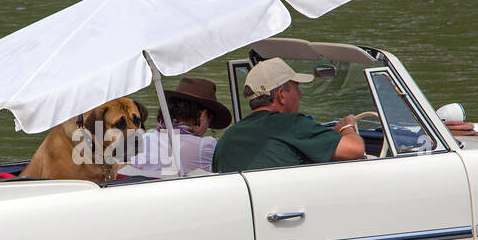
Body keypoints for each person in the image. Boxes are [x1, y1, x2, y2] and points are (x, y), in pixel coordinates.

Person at [211, 58, 365, 172]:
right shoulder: (291, 124)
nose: (300, 95)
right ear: (281, 95)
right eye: (296, 88)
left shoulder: (228, 137)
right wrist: (347, 127)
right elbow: (355, 150)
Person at [125, 76, 232, 176]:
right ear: (203, 115)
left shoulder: (140, 141)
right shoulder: (206, 147)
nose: (208, 126)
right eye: (210, 118)